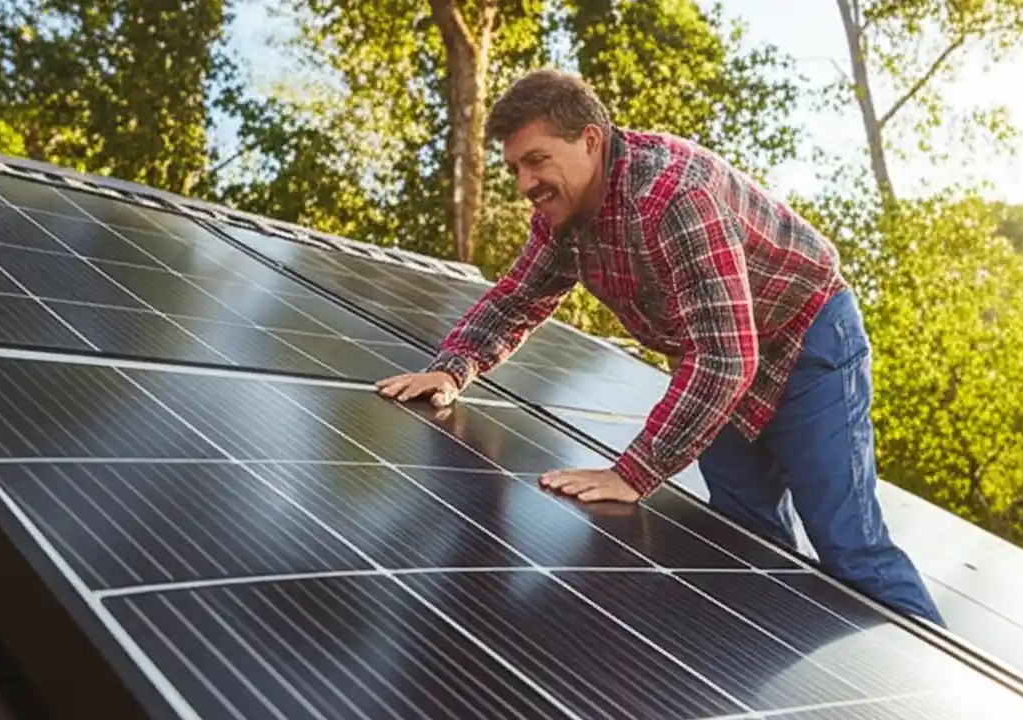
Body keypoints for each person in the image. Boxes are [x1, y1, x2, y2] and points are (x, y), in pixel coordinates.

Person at [375, 69, 943, 625]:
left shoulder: (672, 194)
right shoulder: (563, 214)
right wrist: (454, 367)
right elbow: (519, 296)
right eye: (515, 167)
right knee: (744, 540)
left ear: (590, 141)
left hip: (805, 339)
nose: (525, 183)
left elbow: (728, 357)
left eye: (537, 160)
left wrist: (635, 471)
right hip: (712, 351)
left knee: (848, 547)